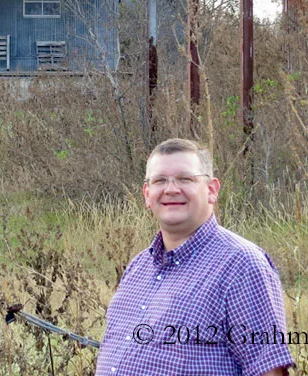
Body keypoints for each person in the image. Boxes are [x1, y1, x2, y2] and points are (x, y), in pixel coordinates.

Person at [95, 138, 294, 376]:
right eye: (160, 180)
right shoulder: (139, 267)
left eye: (185, 179)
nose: (171, 189)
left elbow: (268, 371)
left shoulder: (241, 266)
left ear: (211, 190)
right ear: (147, 194)